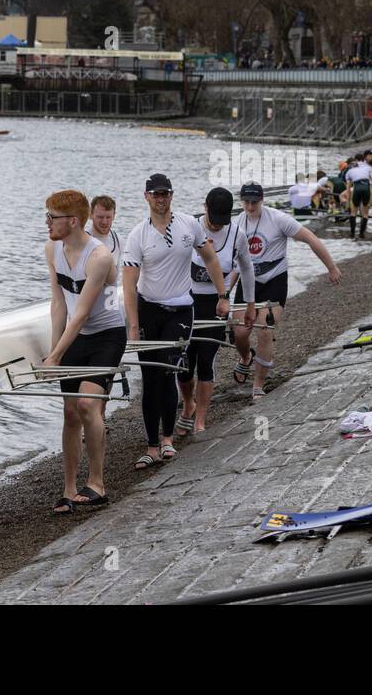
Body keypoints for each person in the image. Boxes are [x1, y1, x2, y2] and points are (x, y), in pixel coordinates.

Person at [122, 173, 229, 468]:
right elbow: (128, 284)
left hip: (181, 309)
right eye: (155, 194)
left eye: (165, 193)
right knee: (150, 378)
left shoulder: (189, 225)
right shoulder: (137, 235)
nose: (161, 198)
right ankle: (151, 445)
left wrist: (223, 295)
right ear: (146, 197)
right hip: (149, 310)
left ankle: (167, 439)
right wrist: (133, 326)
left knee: (167, 371)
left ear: (172, 195)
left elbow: (210, 258)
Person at [42, 189, 126, 511]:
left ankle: (97, 483)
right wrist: (53, 351)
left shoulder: (100, 256)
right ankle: (68, 489)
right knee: (69, 412)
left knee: (88, 406)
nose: (47, 222)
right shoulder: (52, 249)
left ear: (73, 221)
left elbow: (81, 315)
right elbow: (59, 304)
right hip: (77, 336)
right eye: (46, 216)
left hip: (107, 335)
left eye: (52, 217)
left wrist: (54, 358)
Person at [232, 182, 340, 401]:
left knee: (264, 329)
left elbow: (310, 238)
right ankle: (245, 358)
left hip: (274, 280)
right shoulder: (236, 224)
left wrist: (331, 267)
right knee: (240, 333)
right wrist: (223, 292)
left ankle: (258, 385)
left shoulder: (278, 219)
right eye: (247, 202)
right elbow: (232, 263)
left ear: (261, 200)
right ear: (241, 201)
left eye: (254, 202)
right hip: (248, 281)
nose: (250, 207)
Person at [180, 187, 256, 435]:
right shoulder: (190, 227)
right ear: (205, 208)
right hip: (186, 301)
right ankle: (187, 405)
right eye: (213, 220)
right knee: (184, 363)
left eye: (221, 221)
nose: (216, 225)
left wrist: (251, 305)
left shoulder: (237, 235)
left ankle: (200, 419)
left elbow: (246, 269)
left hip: (216, 303)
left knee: (206, 361)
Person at [344, 151, 372, 239]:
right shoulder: (369, 167)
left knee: (353, 212)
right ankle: (361, 234)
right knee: (365, 214)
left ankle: (352, 234)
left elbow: (348, 187)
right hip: (366, 187)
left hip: (356, 188)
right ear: (363, 159)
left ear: (355, 160)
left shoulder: (350, 170)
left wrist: (347, 202)